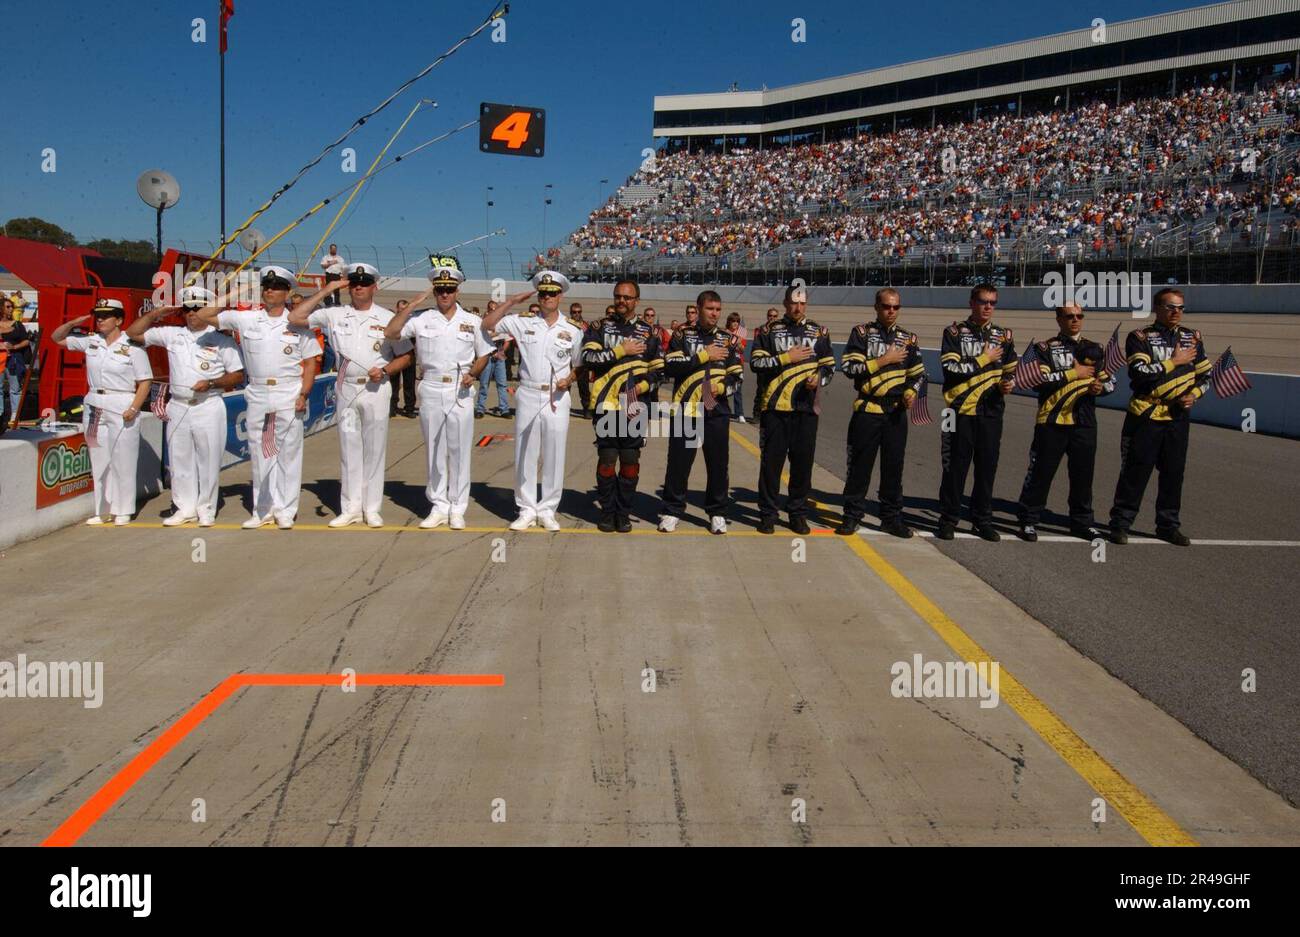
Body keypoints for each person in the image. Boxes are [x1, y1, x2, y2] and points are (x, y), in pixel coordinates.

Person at [194, 265, 321, 529]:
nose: (268, 291)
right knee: (260, 452)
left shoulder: (296, 324)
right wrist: (237, 293)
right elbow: (204, 314)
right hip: (259, 392)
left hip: (289, 390)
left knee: (288, 452)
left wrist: (304, 393)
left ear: (287, 292)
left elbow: (310, 363)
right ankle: (262, 509)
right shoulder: (247, 319)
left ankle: (285, 510)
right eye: (266, 286)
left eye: (275, 287)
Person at [290, 262, 413, 528]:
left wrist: (386, 370)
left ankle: (372, 508)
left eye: (364, 283)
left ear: (374, 287)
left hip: (376, 389)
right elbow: (295, 318)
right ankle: (350, 508)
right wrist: (328, 288)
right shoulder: (334, 314)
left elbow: (405, 356)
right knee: (349, 448)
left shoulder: (386, 318)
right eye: (354, 283)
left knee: (375, 449)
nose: (358, 287)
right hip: (346, 388)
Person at [384, 262, 491, 530]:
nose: (445, 294)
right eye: (440, 289)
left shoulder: (472, 322)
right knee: (434, 449)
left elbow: (485, 353)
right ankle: (438, 504)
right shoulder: (421, 319)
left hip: (460, 389)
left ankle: (457, 507)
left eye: (450, 289)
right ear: (434, 292)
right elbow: (391, 332)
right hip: (431, 387)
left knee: (459, 450)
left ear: (457, 291)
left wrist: (474, 373)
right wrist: (411, 304)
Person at [127, 287, 246, 527]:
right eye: (187, 309)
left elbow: (237, 375)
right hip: (178, 406)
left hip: (208, 404)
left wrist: (213, 382)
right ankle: (185, 507)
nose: (192, 313)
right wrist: (155, 314)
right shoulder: (173, 334)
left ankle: (206, 508)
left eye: (197, 308)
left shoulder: (221, 339)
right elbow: (133, 333)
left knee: (208, 460)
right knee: (180, 460)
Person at [480, 271, 583, 530]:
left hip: (556, 396)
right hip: (527, 393)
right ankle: (526, 508)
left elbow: (580, 365)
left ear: (561, 296)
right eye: (543, 293)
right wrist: (511, 301)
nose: (547, 297)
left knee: (554, 453)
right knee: (525, 452)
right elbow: (487, 325)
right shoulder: (520, 321)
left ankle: (548, 509)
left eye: (552, 293)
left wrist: (569, 379)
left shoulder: (572, 329)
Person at [1108, 288, 1210, 546]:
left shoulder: (1192, 338)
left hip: (1177, 416)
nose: (1177, 312)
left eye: (1181, 308)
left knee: (1174, 473)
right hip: (1146, 414)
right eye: (1171, 307)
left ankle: (1168, 525)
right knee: (1135, 472)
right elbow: (1139, 373)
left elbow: (1206, 376)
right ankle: (1120, 524)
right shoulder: (1140, 336)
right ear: (1157, 308)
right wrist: (1173, 362)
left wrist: (1194, 394)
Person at [1016, 304, 1114, 542]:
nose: (1075, 320)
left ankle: (1082, 522)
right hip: (1052, 421)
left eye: (1079, 316)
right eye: (1069, 316)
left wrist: (1101, 388)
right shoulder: (1044, 348)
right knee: (1041, 472)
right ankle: (1028, 519)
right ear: (1059, 319)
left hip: (1084, 422)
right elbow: (1038, 380)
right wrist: (1074, 373)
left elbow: (1112, 382)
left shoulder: (1095, 348)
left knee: (1083, 476)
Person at [49, 299, 152, 525]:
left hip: (122, 401)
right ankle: (102, 509)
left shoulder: (132, 346)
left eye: (106, 315)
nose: (101, 319)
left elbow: (145, 381)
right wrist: (74, 322)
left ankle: (123, 509)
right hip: (95, 402)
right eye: (98, 315)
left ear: (119, 320)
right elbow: (56, 338)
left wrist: (134, 407)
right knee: (99, 458)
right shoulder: (91, 341)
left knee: (123, 458)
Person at [836, 288, 924, 538]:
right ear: (876, 307)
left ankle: (891, 518)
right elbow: (850, 367)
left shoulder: (909, 339)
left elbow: (918, 375)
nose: (891, 311)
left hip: (896, 412)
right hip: (868, 409)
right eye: (887, 306)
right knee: (859, 467)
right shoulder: (862, 333)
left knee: (893, 469)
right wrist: (884, 360)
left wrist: (911, 392)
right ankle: (851, 516)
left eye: (896, 307)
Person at [749, 283, 834, 534]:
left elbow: (829, 367)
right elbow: (755, 362)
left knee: (802, 466)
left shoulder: (820, 332)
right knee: (771, 465)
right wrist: (786, 358)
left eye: (802, 302)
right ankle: (767, 513)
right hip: (775, 408)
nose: (798, 307)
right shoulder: (768, 330)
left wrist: (819, 378)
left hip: (806, 410)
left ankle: (797, 513)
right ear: (785, 303)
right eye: (793, 302)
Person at [582, 278, 663, 532]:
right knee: (607, 460)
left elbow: (659, 371)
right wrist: (621, 350)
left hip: (634, 407)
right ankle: (607, 512)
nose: (621, 301)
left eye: (627, 297)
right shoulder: (599, 327)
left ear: (636, 301)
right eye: (618, 296)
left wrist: (641, 388)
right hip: (606, 405)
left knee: (630, 461)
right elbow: (589, 359)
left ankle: (623, 511)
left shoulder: (649, 332)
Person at [936, 284, 1016, 542]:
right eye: (983, 301)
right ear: (972, 302)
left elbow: (1011, 369)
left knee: (986, 469)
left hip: (991, 412)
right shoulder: (953, 332)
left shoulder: (1004, 335)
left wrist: (1009, 383)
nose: (988, 307)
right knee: (954, 468)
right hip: (957, 412)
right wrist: (983, 359)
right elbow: (950, 369)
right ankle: (948, 519)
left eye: (993, 302)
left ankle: (982, 520)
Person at [658, 290, 741, 535]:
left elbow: (737, 375)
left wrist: (722, 386)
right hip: (686, 410)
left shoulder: (728, 339)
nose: (714, 314)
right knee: (678, 464)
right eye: (710, 309)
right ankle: (672, 510)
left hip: (717, 411)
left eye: (718, 309)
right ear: (699, 308)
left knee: (718, 464)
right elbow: (671, 367)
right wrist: (705, 355)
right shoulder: (682, 335)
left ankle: (717, 512)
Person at [475, 300, 512, 419]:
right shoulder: (482, 324)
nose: (493, 311)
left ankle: (504, 409)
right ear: (487, 310)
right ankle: (480, 408)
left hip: (500, 356)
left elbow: (507, 341)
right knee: (484, 384)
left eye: (495, 309)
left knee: (502, 384)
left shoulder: (501, 324)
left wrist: (501, 352)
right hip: (487, 356)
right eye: (491, 309)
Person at [1, 298, 33, 425]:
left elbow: (26, 341)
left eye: (11, 307)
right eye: (7, 307)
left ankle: (15, 415)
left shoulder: (17, 325)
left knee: (15, 388)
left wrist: (14, 347)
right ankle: (0, 414)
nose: (10, 309)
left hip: (13, 359)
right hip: (0, 359)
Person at [388, 299, 418, 417]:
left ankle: (409, 408)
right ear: (397, 309)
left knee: (409, 383)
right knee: (393, 384)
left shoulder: (412, 322)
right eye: (401, 308)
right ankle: (392, 407)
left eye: (405, 309)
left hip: (409, 356)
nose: (403, 311)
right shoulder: (392, 321)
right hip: (394, 356)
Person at [724, 312, 747, 423]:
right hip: (726, 364)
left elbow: (742, 350)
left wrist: (737, 341)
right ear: (729, 322)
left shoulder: (741, 333)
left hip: (738, 364)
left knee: (737, 389)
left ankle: (740, 414)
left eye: (737, 321)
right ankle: (724, 411)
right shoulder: (724, 332)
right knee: (724, 388)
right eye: (733, 321)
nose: (735, 323)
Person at [569, 301, 591, 415]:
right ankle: (564, 408)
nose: (576, 314)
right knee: (566, 385)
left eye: (579, 312)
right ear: (570, 313)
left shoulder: (586, 326)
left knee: (584, 387)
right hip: (568, 359)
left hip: (582, 359)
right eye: (574, 312)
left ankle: (587, 409)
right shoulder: (566, 325)